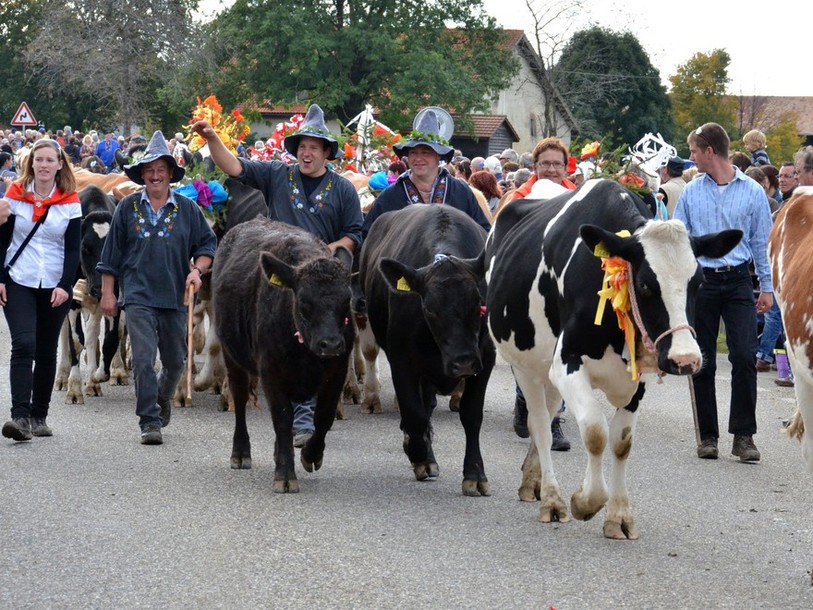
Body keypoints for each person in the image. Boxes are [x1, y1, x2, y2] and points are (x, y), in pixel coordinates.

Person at [191, 104, 362, 448]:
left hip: (321, 281)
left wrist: (332, 249)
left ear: (327, 152)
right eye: (301, 146)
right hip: (281, 276)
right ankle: (295, 414)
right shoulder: (276, 175)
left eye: (314, 146)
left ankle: (305, 415)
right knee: (279, 345)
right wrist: (212, 139)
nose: (306, 152)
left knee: (321, 341)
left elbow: (354, 234)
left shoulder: (343, 189)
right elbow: (235, 167)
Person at [97, 131, 217, 445]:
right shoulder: (127, 208)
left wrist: (197, 270)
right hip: (137, 295)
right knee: (143, 359)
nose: (155, 175)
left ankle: (161, 398)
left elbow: (207, 246)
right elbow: (110, 256)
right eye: (149, 170)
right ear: (142, 175)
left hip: (176, 295)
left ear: (170, 174)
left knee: (176, 361)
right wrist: (109, 293)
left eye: (161, 169)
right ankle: (149, 420)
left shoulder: (188, 209)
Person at [673, 122, 773, 462]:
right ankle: (708, 436)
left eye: (694, 152)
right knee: (702, 359)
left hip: (739, 282)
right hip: (702, 282)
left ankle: (743, 437)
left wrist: (767, 288)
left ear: (709, 151)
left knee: (745, 355)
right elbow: (677, 241)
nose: (691, 158)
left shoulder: (753, 192)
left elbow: (761, 242)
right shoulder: (690, 192)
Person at [0, 138, 81, 441]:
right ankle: (19, 417)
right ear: (30, 163)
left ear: (60, 164)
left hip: (54, 286)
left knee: (47, 349)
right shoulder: (15, 196)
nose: (44, 165)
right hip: (19, 279)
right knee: (23, 344)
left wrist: (65, 285)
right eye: (39, 160)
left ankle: (39, 415)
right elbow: (2, 238)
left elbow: (73, 250)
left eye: (50, 160)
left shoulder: (70, 201)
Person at [361, 109, 490, 239]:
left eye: (425, 152)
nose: (418, 158)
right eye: (413, 152)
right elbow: (368, 237)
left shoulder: (460, 192)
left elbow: (483, 233)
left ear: (438, 156)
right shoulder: (391, 195)